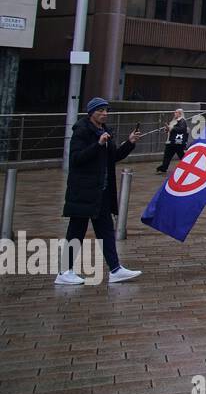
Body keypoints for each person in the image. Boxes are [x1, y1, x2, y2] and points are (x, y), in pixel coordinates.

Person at [56, 98, 143, 285]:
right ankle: (64, 271)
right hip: (84, 191)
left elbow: (114, 156)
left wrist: (130, 143)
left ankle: (115, 269)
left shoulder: (104, 132)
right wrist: (97, 144)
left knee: (106, 232)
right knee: (76, 230)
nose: (104, 113)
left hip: (102, 192)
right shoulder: (82, 131)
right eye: (100, 110)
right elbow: (77, 158)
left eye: (106, 110)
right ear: (91, 113)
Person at [156, 107, 188, 173]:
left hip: (177, 141)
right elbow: (171, 129)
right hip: (172, 141)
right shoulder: (175, 121)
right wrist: (167, 129)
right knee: (168, 154)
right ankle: (164, 167)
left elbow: (181, 129)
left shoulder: (182, 121)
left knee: (179, 154)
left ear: (180, 114)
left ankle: (187, 166)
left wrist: (172, 128)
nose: (174, 113)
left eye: (176, 112)